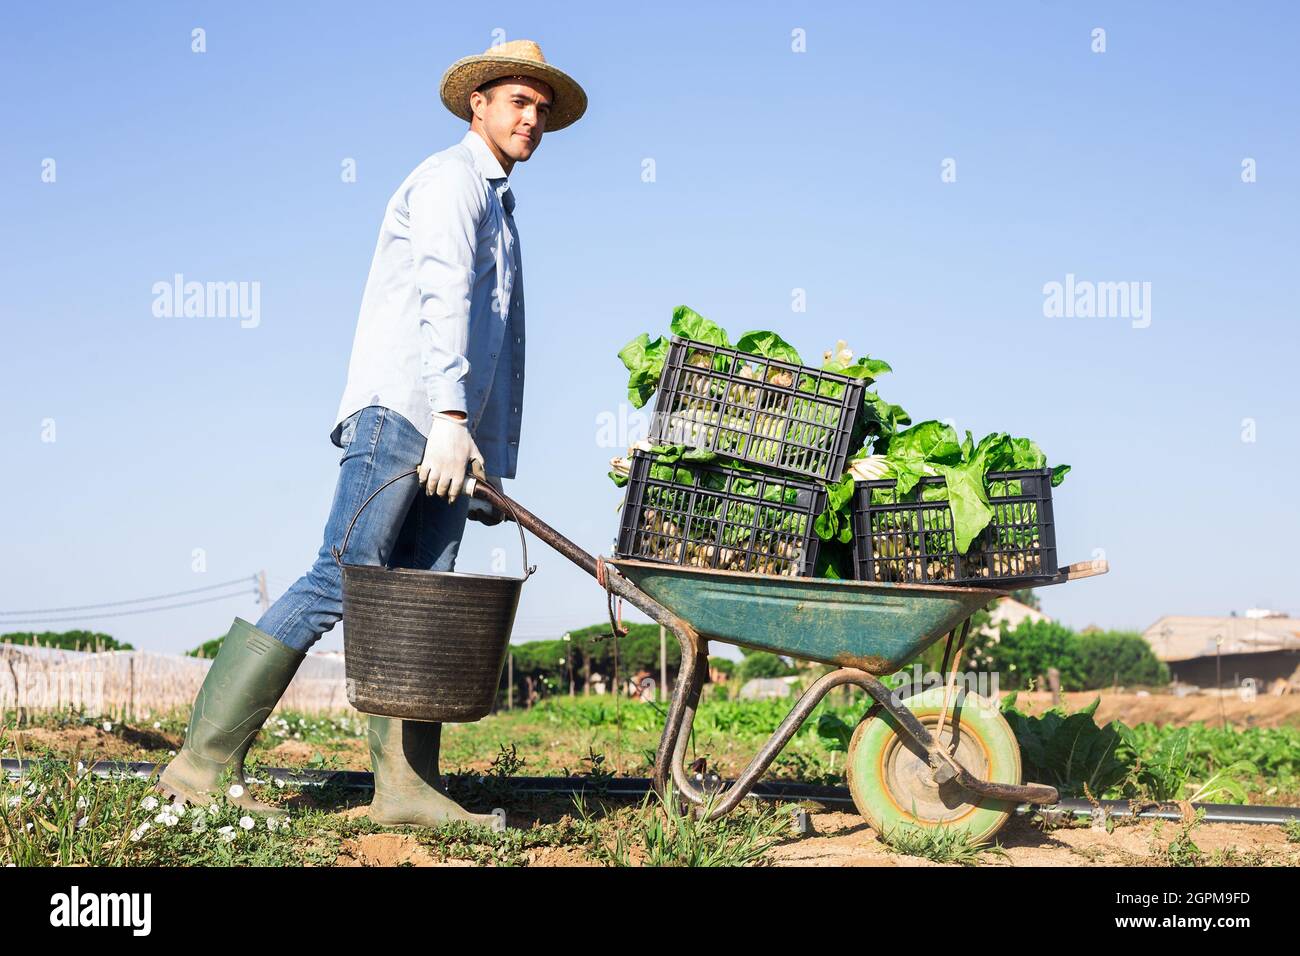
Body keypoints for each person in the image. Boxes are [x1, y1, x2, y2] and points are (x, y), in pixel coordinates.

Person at [157, 40, 587, 827]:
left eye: (542, 107)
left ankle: (405, 790)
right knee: (341, 575)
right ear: (477, 104)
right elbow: (441, 297)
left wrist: (482, 453)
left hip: (447, 434)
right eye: (518, 101)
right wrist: (450, 420)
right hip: (405, 416)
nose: (533, 117)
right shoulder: (451, 182)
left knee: (422, 600)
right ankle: (199, 765)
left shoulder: (498, 204)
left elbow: (497, 343)